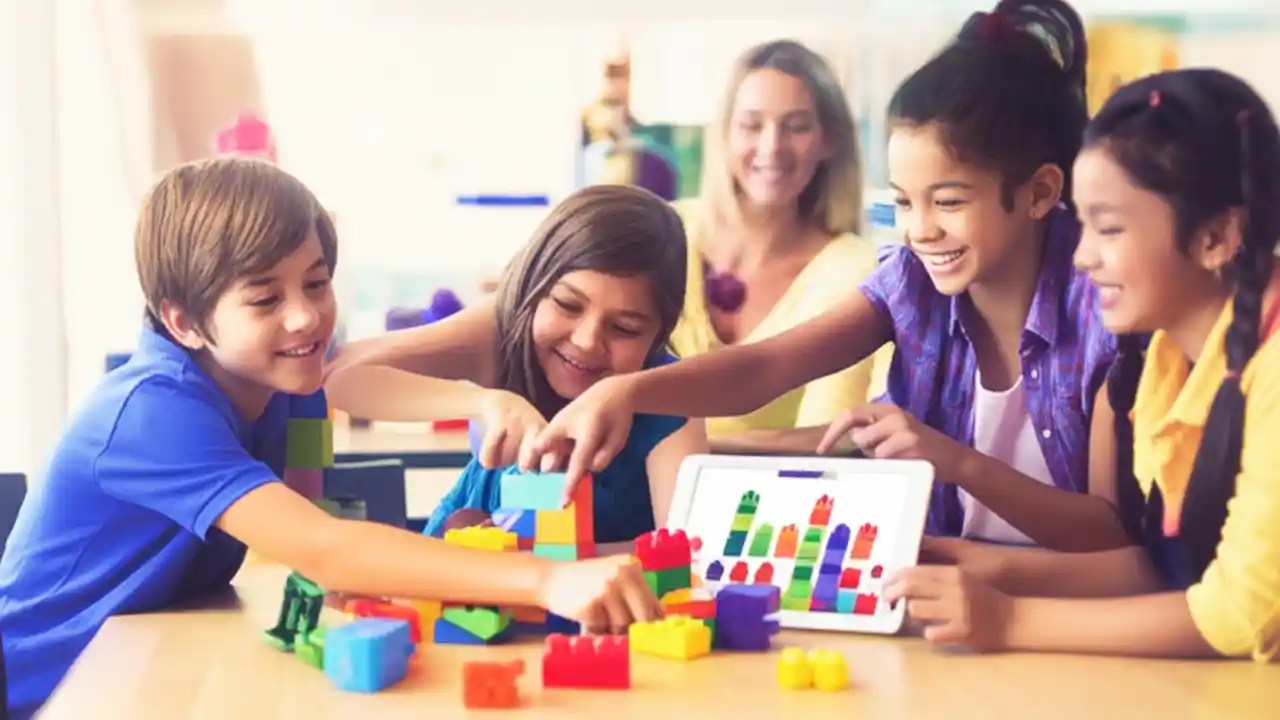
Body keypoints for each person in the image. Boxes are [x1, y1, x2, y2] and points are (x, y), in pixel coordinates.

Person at [0, 159, 661, 719]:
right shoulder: (151, 414)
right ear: (184, 323)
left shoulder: (296, 386)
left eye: (316, 283)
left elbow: (313, 525)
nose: (306, 317)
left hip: (149, 658)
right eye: (265, 300)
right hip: (50, 687)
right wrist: (548, 579)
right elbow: (327, 549)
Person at [528, 0, 1129, 552]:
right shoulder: (910, 284)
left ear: (1040, 193)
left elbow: (1112, 536)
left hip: (1056, 604)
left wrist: (956, 462)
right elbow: (765, 368)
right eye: (903, 202)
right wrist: (625, 391)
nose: (920, 230)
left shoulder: (1107, 313)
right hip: (941, 592)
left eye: (948, 202)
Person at [887, 68, 1280, 660]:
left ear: (1215, 238)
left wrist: (1010, 621)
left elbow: (1240, 615)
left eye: (1110, 229)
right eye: (1084, 225)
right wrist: (988, 568)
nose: (1082, 257)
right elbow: (1159, 570)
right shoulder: (1163, 363)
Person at [325, 185, 707, 540]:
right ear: (532, 288)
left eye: (624, 328)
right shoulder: (506, 331)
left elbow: (689, 554)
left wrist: (539, 557)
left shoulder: (670, 397)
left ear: (658, 333)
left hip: (591, 587)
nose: (587, 341)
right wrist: (485, 402)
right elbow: (339, 376)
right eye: (567, 305)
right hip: (461, 567)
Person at [670, 39, 880, 454]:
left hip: (762, 492)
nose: (772, 147)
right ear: (725, 134)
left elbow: (833, 438)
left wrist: (692, 454)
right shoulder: (664, 231)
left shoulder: (856, 269)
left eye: (797, 126)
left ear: (830, 140)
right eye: (751, 125)